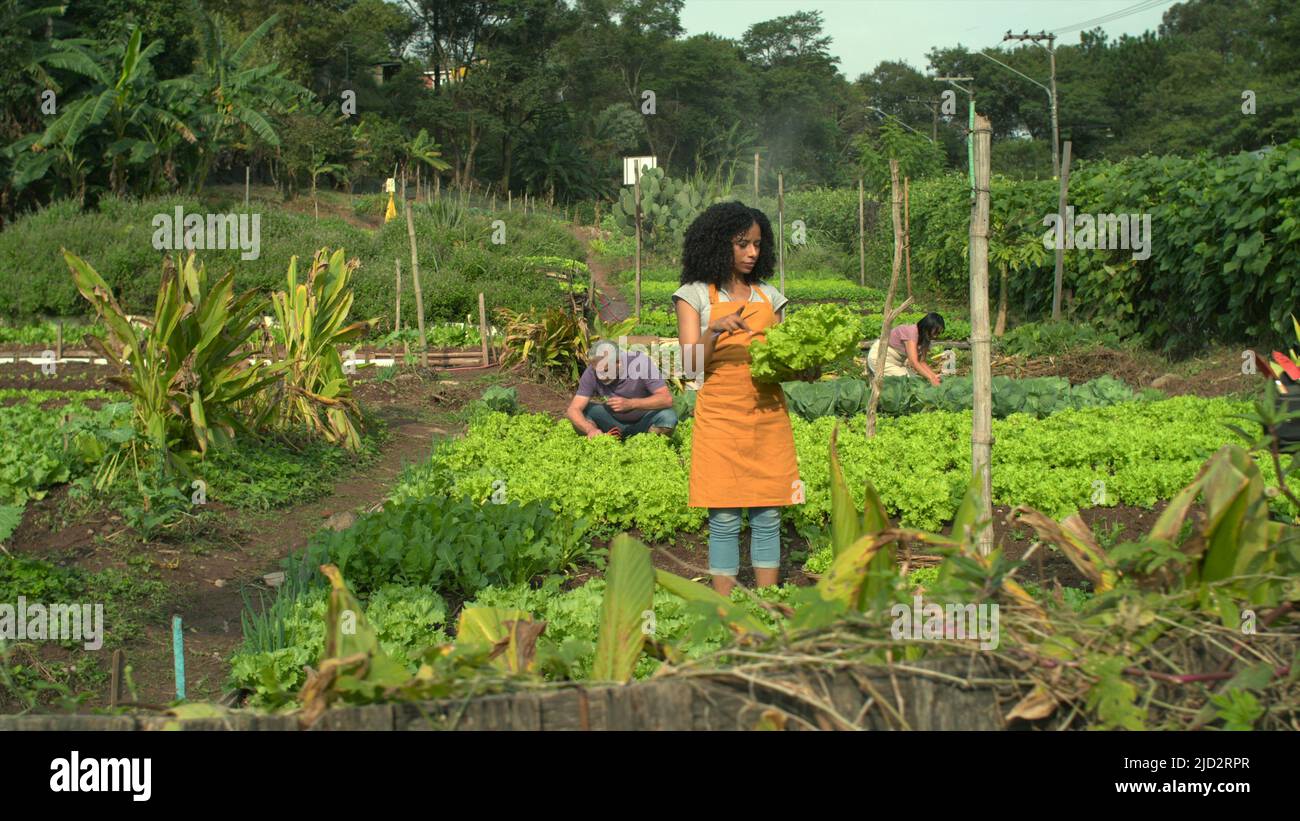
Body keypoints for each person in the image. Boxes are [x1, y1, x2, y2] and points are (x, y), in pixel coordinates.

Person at [672, 201, 814, 595]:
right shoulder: (694, 295)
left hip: (768, 414)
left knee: (769, 512)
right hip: (720, 415)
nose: (752, 252)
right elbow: (689, 365)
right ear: (719, 244)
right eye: (742, 244)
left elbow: (784, 360)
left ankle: (765, 605)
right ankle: (723, 610)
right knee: (724, 516)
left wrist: (806, 365)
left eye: (757, 244)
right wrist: (714, 330)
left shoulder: (770, 297)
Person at [566, 339, 677, 439]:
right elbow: (573, 409)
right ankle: (601, 441)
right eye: (597, 371)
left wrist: (631, 404)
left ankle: (646, 445)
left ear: (619, 362)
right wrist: (590, 429)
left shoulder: (641, 363)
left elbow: (666, 399)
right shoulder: (591, 372)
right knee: (582, 412)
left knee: (668, 417)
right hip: (611, 422)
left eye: (606, 370)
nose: (600, 376)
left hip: (644, 422)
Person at [866, 312, 946, 386]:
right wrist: (930, 378)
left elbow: (922, 362)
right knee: (908, 382)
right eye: (935, 332)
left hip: (896, 363)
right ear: (927, 327)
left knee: (917, 380)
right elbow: (914, 362)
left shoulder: (926, 338)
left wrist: (934, 377)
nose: (936, 336)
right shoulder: (911, 333)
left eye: (938, 333)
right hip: (880, 358)